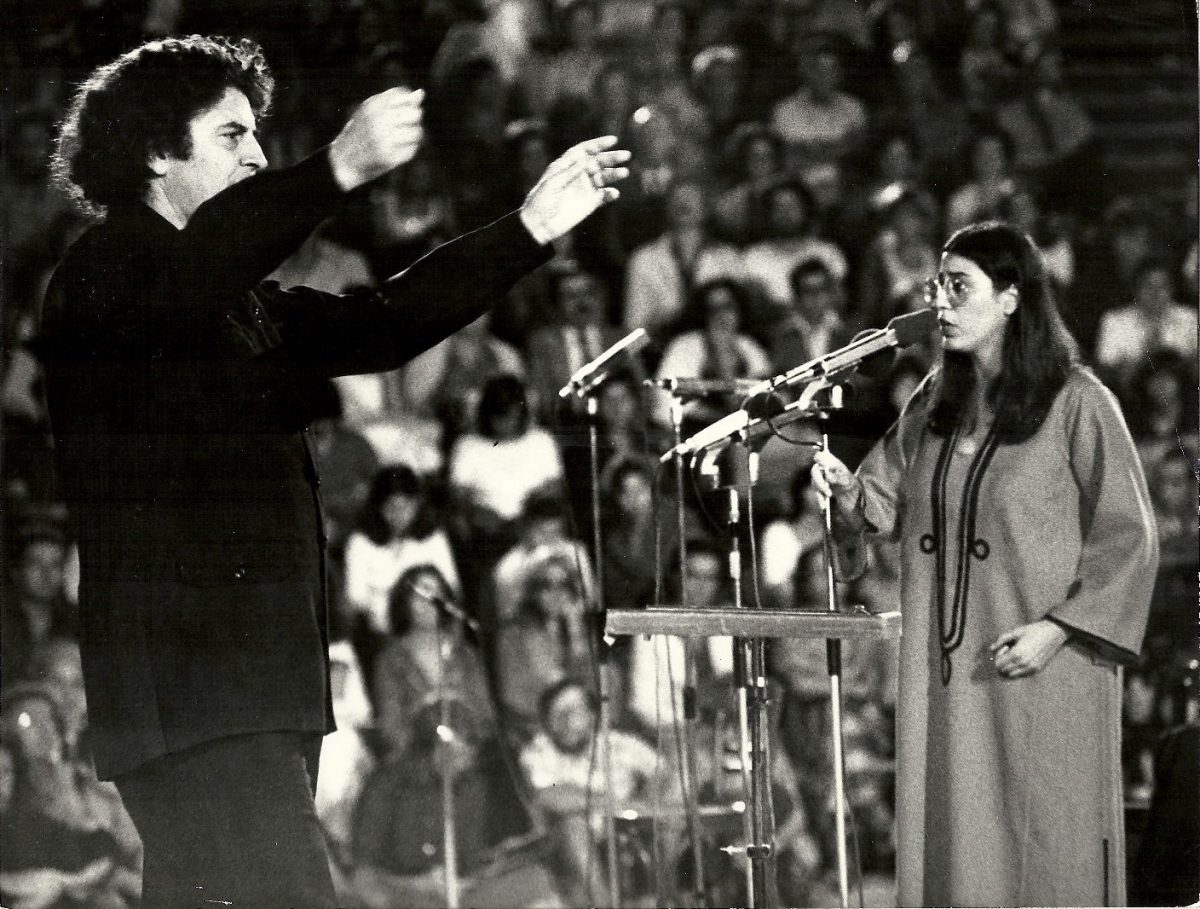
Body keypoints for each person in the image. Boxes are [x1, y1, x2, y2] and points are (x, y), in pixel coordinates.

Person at [35, 34, 629, 908]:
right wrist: (333, 170)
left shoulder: (243, 304)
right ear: (159, 152)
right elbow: (195, 268)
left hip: (253, 689)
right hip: (194, 695)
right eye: (233, 135)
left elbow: (381, 322)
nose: (258, 155)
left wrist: (528, 228)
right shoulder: (105, 274)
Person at [812, 220, 1159, 906]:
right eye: (936, 285)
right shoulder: (933, 405)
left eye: (958, 285)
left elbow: (1130, 538)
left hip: (1045, 670)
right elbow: (877, 503)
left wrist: (1057, 628)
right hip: (948, 684)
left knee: (1046, 849)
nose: (939, 301)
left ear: (1009, 297)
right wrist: (844, 492)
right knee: (957, 850)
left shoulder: (1080, 402)